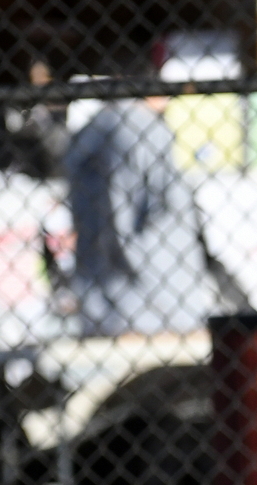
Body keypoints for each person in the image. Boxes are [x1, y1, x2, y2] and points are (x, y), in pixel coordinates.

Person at [62, 78, 211, 337]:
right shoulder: (144, 127)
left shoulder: (93, 128)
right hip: (156, 306)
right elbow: (164, 208)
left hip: (102, 298)